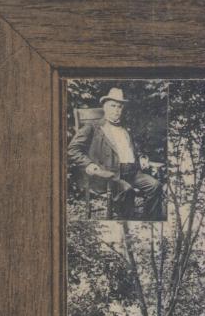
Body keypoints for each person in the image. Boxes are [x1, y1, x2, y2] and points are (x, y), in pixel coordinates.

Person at [67, 87, 163, 220]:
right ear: (105, 107)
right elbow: (72, 149)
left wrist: (141, 158)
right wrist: (89, 164)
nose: (116, 110)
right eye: (113, 106)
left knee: (155, 186)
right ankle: (126, 221)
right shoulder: (93, 127)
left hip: (133, 173)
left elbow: (132, 150)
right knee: (127, 190)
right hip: (109, 176)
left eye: (120, 107)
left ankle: (150, 219)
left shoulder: (125, 128)